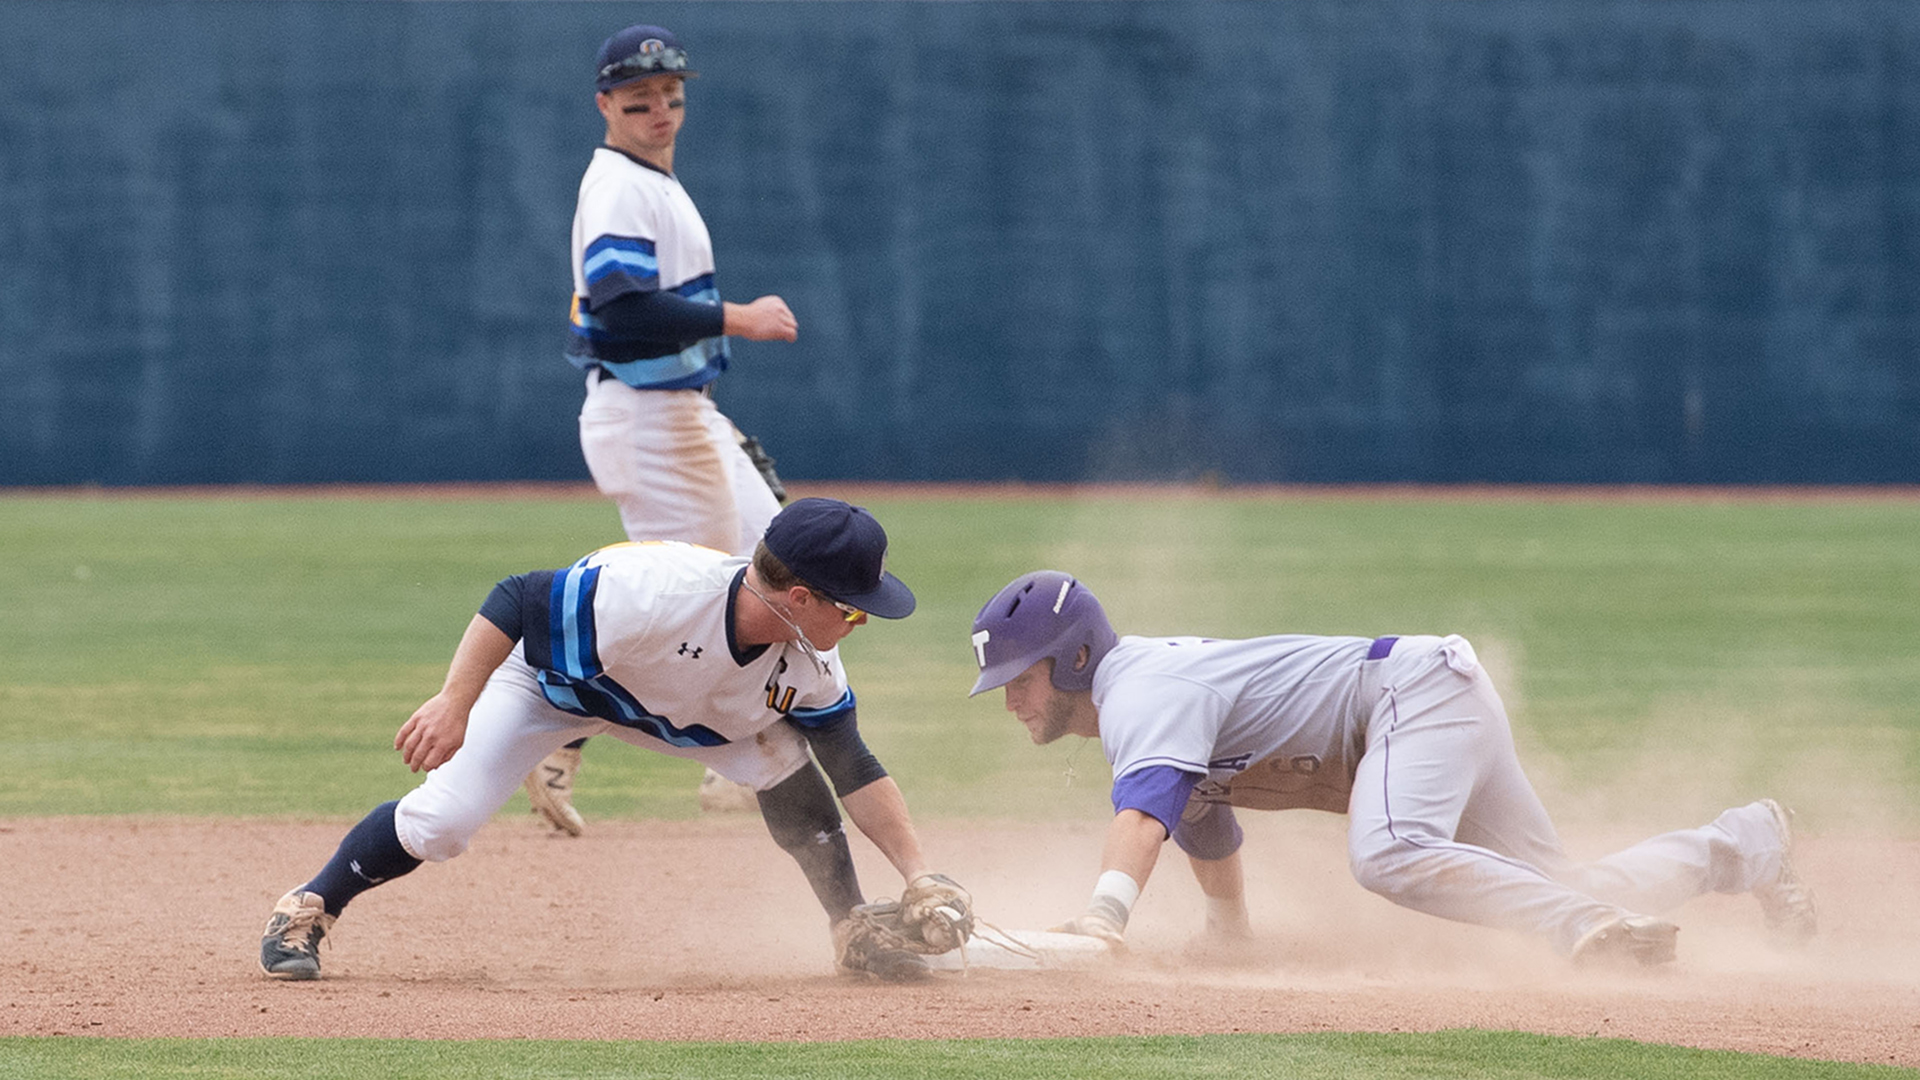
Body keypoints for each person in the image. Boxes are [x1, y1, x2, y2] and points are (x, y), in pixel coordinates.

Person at [260, 499, 970, 982]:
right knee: (441, 824)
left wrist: (919, 875)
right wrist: (456, 700)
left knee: (783, 755)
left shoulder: (811, 664)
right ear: (800, 599)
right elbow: (517, 596)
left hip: (689, 719)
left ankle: (850, 927)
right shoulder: (652, 591)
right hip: (551, 691)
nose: (858, 623)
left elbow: (854, 768)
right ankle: (309, 908)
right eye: (855, 610)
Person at [966, 570, 1818, 966]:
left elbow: (1146, 817)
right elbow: (1201, 815)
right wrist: (1229, 931)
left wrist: (1102, 919)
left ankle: (1584, 932)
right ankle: (1743, 844)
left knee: (1390, 853)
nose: (1010, 701)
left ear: (1073, 659)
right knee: (1557, 879)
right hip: (1427, 704)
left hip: (1410, 698)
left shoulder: (1143, 693)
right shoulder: (1143, 705)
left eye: (1020, 678)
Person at [526, 23, 802, 831]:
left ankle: (732, 760)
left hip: (681, 413)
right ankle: (556, 736)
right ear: (606, 104)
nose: (660, 110)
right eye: (640, 98)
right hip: (648, 421)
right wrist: (738, 318)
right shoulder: (619, 185)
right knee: (692, 604)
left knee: (784, 566)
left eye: (671, 96)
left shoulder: (650, 180)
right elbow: (622, 303)